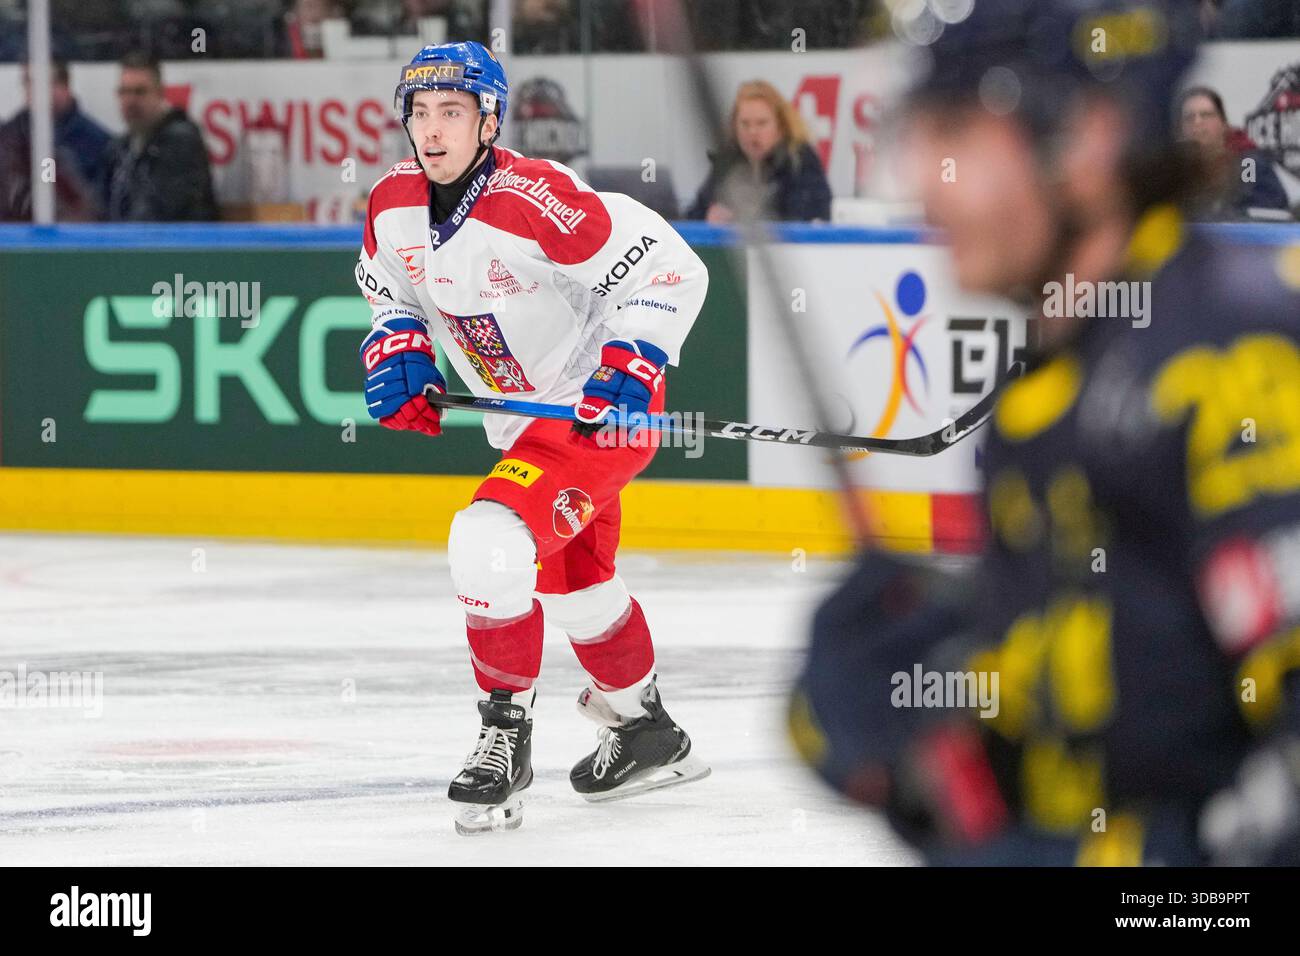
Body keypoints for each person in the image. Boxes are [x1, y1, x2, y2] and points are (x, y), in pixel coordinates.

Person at [791, 0, 1300, 865]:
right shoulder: (1050, 397)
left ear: (1088, 139)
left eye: (958, 134)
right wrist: (920, 742)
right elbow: (1100, 756)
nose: (925, 182)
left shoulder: (1230, 362)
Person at [355, 41, 710, 834]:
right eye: (420, 112)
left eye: (452, 112)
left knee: (487, 539)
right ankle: (647, 728)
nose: (432, 130)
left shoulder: (535, 198)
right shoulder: (391, 203)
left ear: (489, 122)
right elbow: (390, 292)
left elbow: (668, 267)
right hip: (528, 424)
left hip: (598, 412)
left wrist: (638, 352)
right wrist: (397, 341)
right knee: (577, 584)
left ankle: (503, 739)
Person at [685, 79, 832, 223]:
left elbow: (811, 215)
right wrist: (707, 218)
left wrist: (743, 220)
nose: (752, 132)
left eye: (761, 123)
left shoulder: (799, 160)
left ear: (781, 127)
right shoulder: (727, 163)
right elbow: (690, 218)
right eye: (745, 124)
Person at [101, 52, 218, 222]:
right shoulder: (120, 148)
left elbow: (160, 212)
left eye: (140, 92)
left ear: (160, 94)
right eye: (124, 92)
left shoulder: (181, 142)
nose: (130, 101)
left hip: (176, 238)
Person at [0, 60, 109, 221]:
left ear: (64, 85)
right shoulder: (9, 138)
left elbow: (98, 203)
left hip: (73, 230)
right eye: (28, 82)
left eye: (43, 82)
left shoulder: (96, 141)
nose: (34, 90)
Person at [1179, 86, 1292, 221]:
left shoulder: (1248, 163)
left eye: (1206, 115)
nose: (1197, 122)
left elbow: (1256, 210)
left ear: (1223, 123)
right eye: (1189, 117)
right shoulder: (1176, 167)